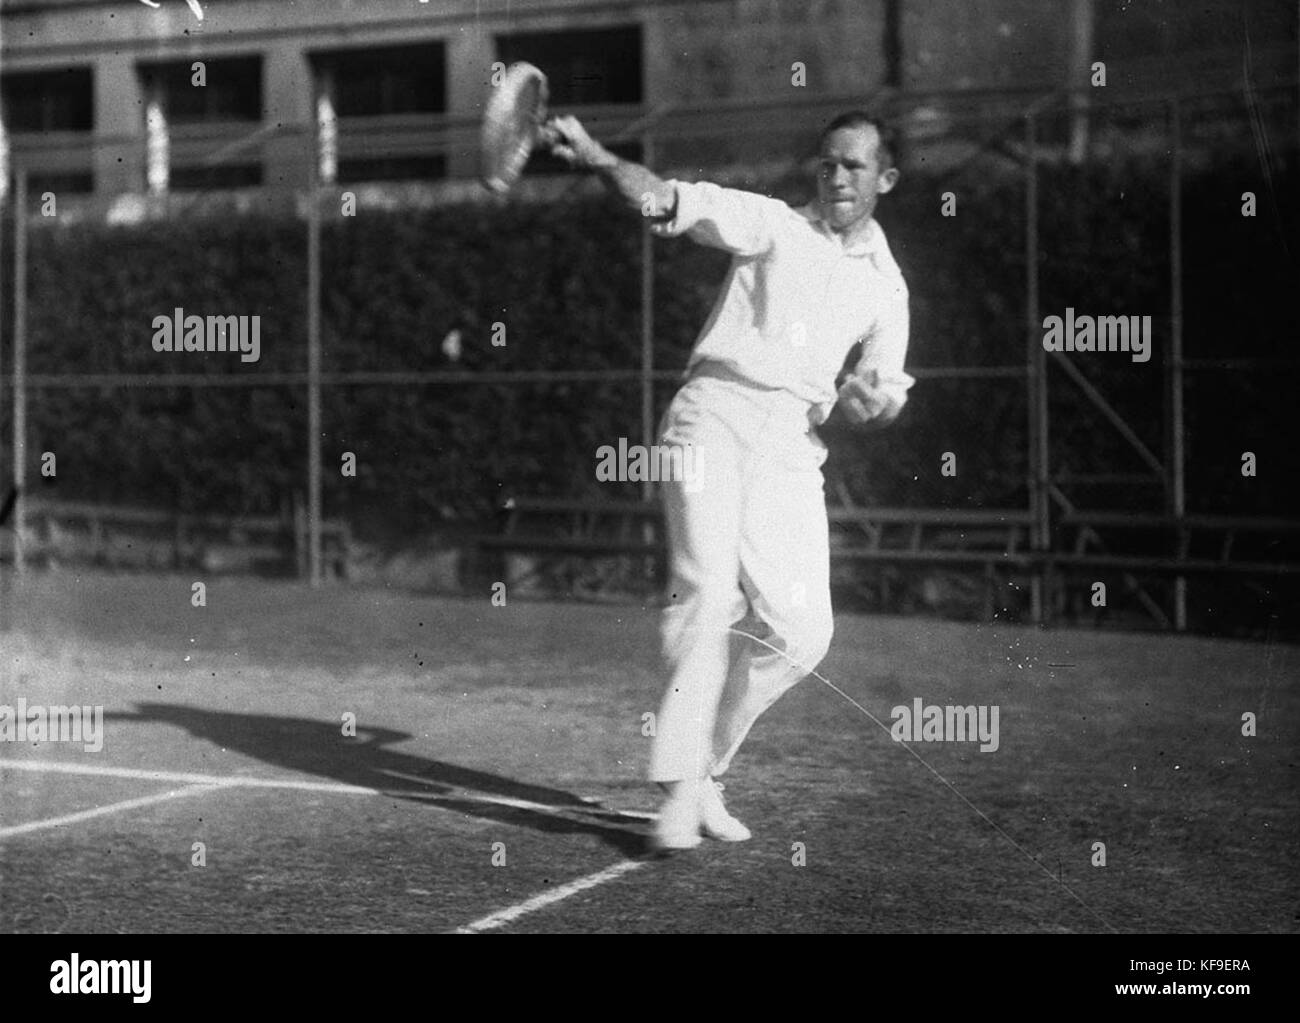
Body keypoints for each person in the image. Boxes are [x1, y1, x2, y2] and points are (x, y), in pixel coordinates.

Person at [549, 111, 914, 851]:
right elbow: (660, 198)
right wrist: (591, 153)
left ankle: (704, 769)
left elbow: (875, 396)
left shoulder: (888, 287)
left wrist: (868, 408)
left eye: (853, 166)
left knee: (806, 629)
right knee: (709, 591)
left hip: (791, 443)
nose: (837, 177)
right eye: (826, 164)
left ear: (886, 179)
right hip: (713, 412)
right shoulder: (770, 223)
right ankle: (680, 788)